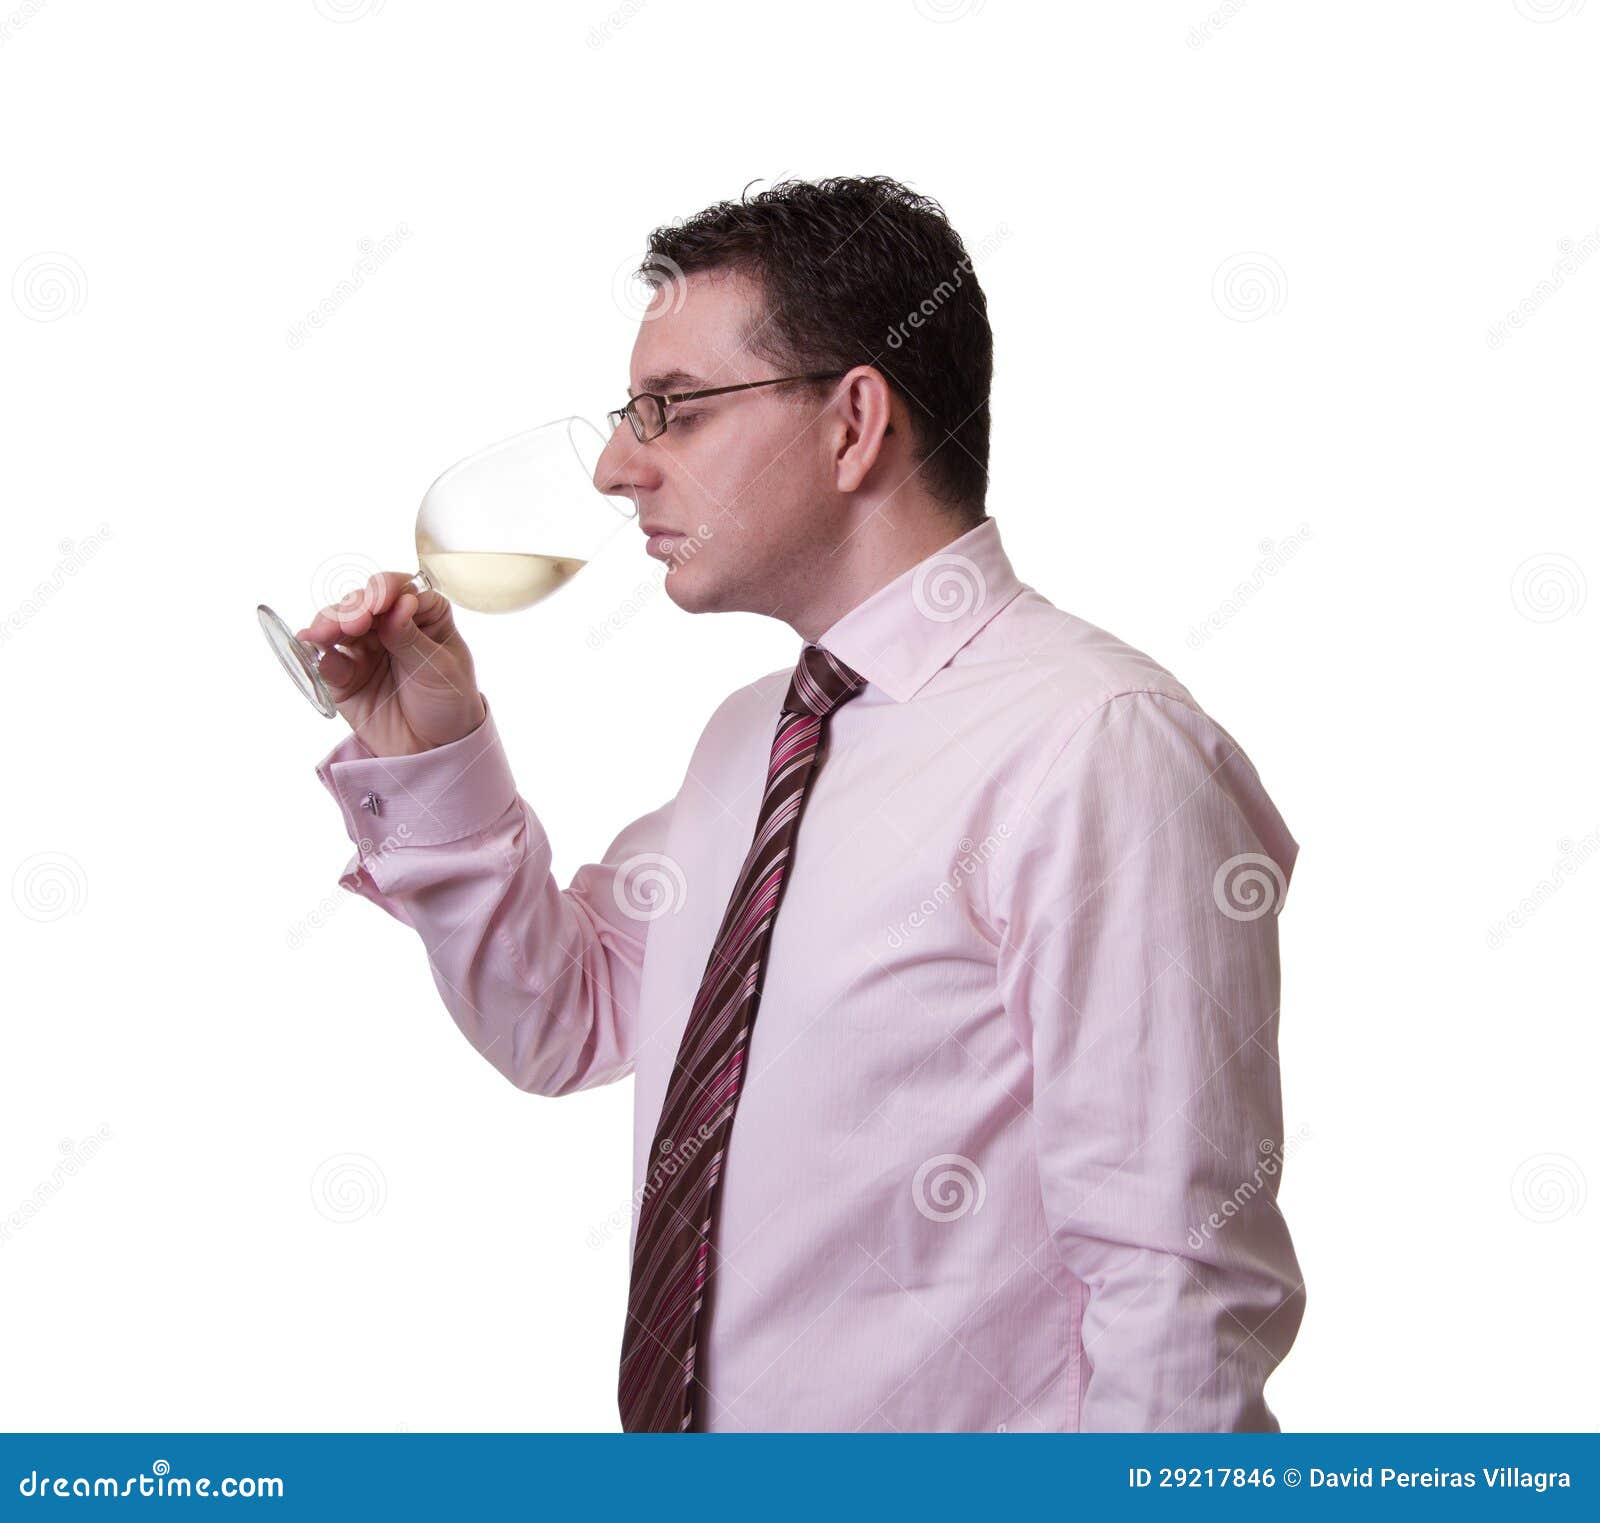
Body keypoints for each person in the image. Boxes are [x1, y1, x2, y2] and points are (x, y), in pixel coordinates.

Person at [298, 176, 1304, 1433]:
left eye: (671, 411)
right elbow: (562, 1017)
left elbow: (1179, 1299)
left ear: (852, 423)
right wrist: (434, 746)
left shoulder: (1096, 745)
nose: (615, 467)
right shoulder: (754, 738)